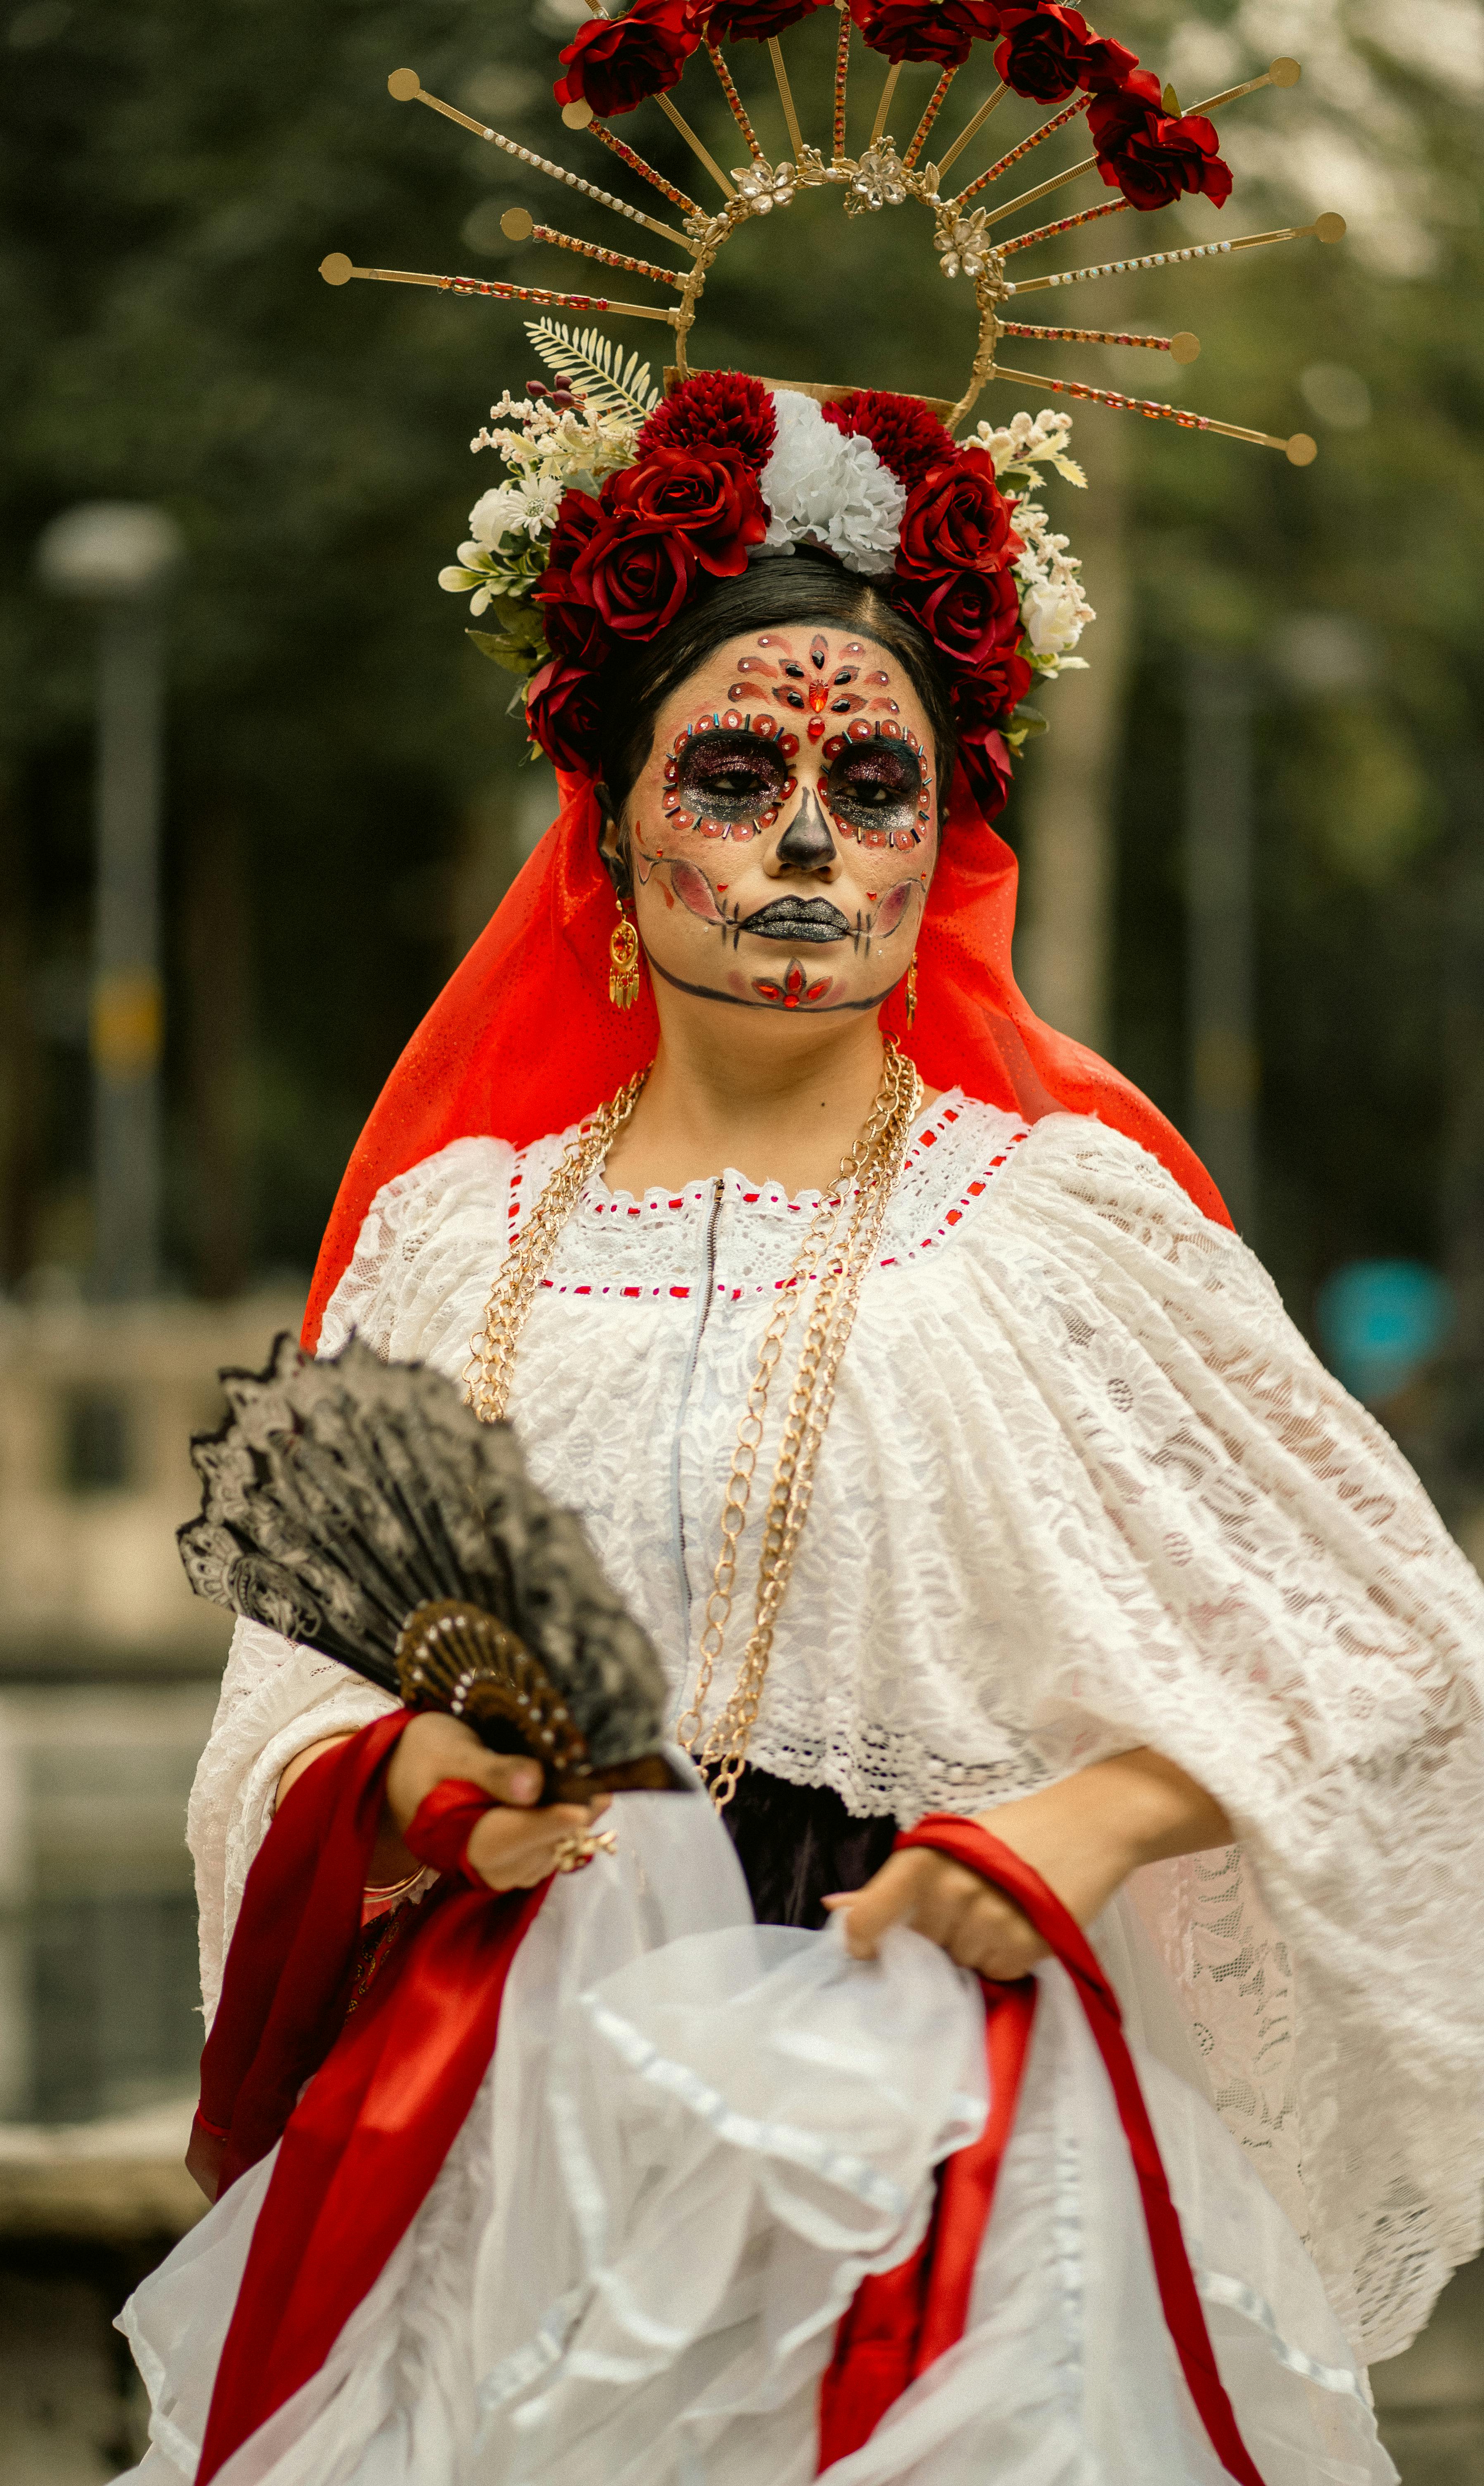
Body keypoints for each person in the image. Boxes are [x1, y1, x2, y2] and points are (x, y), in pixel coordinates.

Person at [113, 365, 1484, 2486]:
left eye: (876, 783)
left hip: (945, 2127)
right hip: (502, 2130)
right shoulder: (444, 1243)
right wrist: (406, 1779)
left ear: (947, 833)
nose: (812, 845)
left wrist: (1088, 1821)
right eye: (737, 774)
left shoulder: (1060, 1230)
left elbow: (1405, 1645)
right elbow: (280, 1714)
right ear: (605, 818)